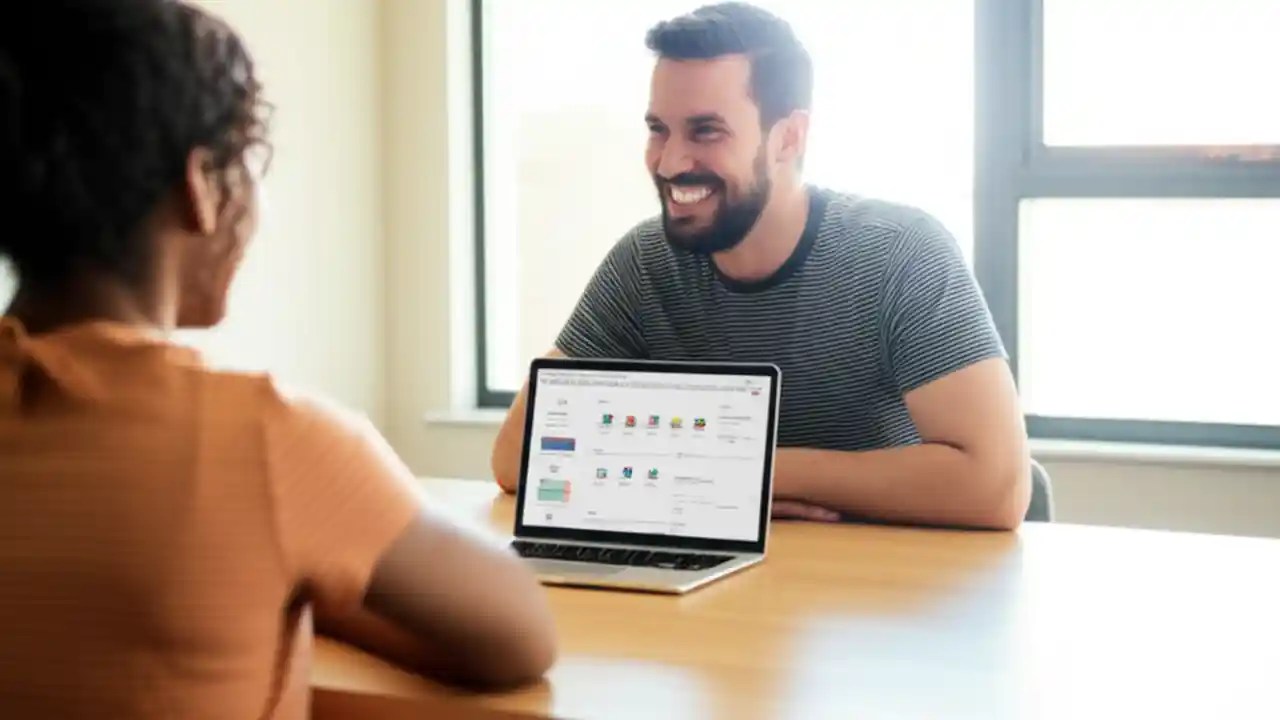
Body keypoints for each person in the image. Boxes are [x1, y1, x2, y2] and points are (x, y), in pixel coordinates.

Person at [0, 1, 554, 716]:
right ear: (202, 187)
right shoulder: (266, 440)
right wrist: (311, 582)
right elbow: (521, 635)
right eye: (253, 163)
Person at [492, 2, 1031, 530]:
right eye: (659, 129)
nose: (671, 161)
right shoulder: (645, 261)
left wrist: (751, 474)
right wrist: (717, 483)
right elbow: (517, 454)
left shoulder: (899, 253)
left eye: (706, 131)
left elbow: (998, 486)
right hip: (717, 592)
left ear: (788, 137)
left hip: (881, 594)